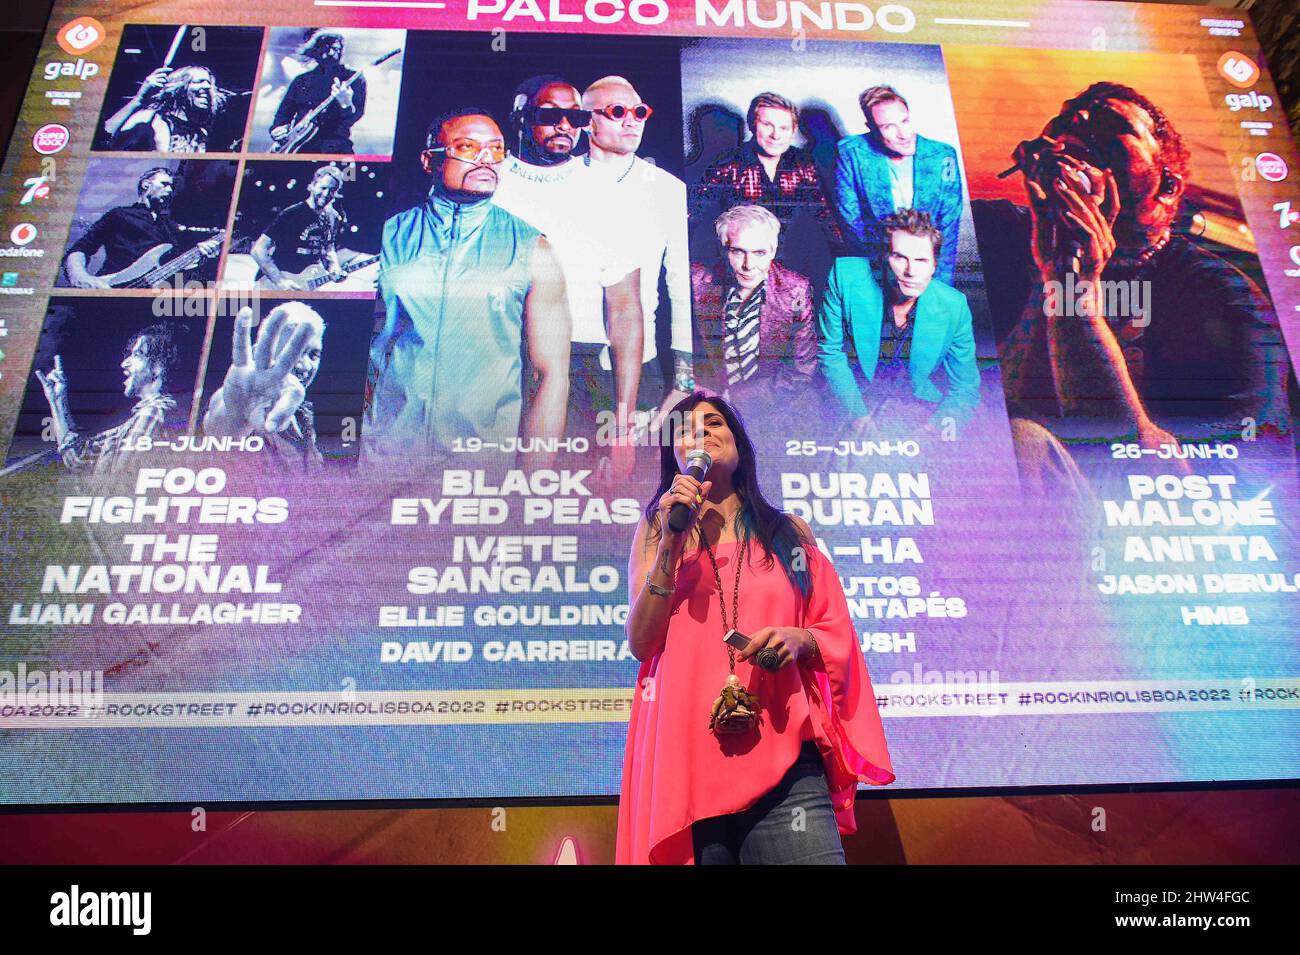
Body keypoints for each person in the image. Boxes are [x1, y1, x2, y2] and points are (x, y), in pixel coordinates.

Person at [617, 393, 893, 865]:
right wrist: (670, 545)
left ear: (739, 444)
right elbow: (643, 642)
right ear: (676, 457)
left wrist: (801, 639)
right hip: (687, 760)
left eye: (715, 422)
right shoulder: (658, 531)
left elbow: (833, 628)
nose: (701, 432)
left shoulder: (788, 532)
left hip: (784, 751)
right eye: (686, 428)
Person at [972, 81, 1292, 474]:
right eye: (1067, 114)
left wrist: (1072, 286)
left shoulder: (1222, 296)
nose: (1080, 117)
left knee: (1024, 440)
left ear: (1168, 186)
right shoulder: (990, 230)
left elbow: (1185, 484)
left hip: (1117, 517)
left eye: (1109, 123)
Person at [361, 108, 570, 466]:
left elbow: (550, 375)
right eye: (468, 147)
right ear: (430, 160)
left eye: (496, 149)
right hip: (382, 461)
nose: (486, 159)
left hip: (480, 470)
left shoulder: (532, 248)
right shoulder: (386, 237)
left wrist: (535, 483)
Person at [492, 75, 644, 478]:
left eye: (574, 116)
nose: (564, 126)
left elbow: (625, 308)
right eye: (549, 115)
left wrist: (624, 426)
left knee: (565, 506)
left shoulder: (607, 192)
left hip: (580, 367)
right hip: (495, 355)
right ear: (520, 118)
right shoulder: (488, 179)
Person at [575, 76, 694, 453]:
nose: (632, 121)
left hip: (641, 367)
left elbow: (680, 286)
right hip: (565, 366)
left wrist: (684, 379)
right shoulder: (559, 181)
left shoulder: (666, 188)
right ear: (585, 120)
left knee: (631, 486)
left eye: (640, 112)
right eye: (617, 112)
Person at [819, 208, 979, 433]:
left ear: (934, 266)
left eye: (922, 260)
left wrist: (933, 430)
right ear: (884, 258)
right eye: (900, 257)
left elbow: (965, 387)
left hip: (920, 408)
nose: (911, 271)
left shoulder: (954, 305)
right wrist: (858, 417)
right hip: (855, 398)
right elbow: (829, 352)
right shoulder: (845, 275)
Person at [834, 85, 962, 283]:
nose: (903, 134)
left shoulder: (942, 155)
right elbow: (851, 222)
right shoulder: (851, 153)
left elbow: (948, 227)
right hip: (877, 263)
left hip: (926, 265)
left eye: (905, 121)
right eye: (888, 127)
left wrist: (939, 286)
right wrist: (873, 278)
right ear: (872, 128)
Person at [691, 205, 816, 408]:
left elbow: (801, 371)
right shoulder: (698, 282)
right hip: (708, 404)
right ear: (724, 249)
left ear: (773, 251)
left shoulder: (795, 290)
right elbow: (679, 350)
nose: (748, 265)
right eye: (738, 252)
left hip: (774, 407)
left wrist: (734, 400)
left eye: (759, 253)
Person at [35, 324, 182, 475]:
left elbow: (120, 484)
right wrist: (58, 401)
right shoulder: (136, 421)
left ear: (158, 367)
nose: (124, 363)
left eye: (137, 354)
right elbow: (78, 458)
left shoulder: (154, 412)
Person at [692, 91, 837, 241]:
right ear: (752, 125)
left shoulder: (804, 163)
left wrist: (846, 257)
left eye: (783, 128)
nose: (776, 135)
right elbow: (695, 213)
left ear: (793, 131)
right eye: (767, 125)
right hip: (742, 252)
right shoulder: (727, 163)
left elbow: (824, 216)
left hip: (793, 254)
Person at [203, 304, 326, 470]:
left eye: (313, 355)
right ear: (257, 354)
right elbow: (220, 430)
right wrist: (237, 416)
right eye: (292, 353)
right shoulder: (244, 400)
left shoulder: (303, 415)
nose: (305, 366)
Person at [63, 167, 222, 289]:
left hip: (151, 299)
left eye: (172, 187)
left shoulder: (170, 226)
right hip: (113, 287)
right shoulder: (120, 214)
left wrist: (202, 256)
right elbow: (82, 248)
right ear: (146, 184)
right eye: (164, 184)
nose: (170, 190)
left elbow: (179, 266)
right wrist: (80, 276)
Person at [251, 165, 348, 290]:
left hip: (307, 283)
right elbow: (258, 249)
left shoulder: (332, 217)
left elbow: (328, 247)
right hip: (276, 283)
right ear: (312, 186)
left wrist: (334, 267)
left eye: (332, 190)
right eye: (323, 188)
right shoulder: (292, 214)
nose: (326, 194)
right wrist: (280, 281)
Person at [271, 32, 366, 154]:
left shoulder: (353, 78)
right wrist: (278, 129)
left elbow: (354, 116)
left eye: (336, 49)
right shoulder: (301, 80)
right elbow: (283, 113)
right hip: (298, 147)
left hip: (335, 147)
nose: (332, 53)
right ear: (316, 51)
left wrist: (346, 104)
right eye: (327, 49)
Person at [106, 65, 231, 153]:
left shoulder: (200, 133)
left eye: (209, 83)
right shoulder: (150, 118)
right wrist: (139, 99)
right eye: (198, 82)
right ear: (178, 88)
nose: (207, 86)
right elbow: (106, 139)